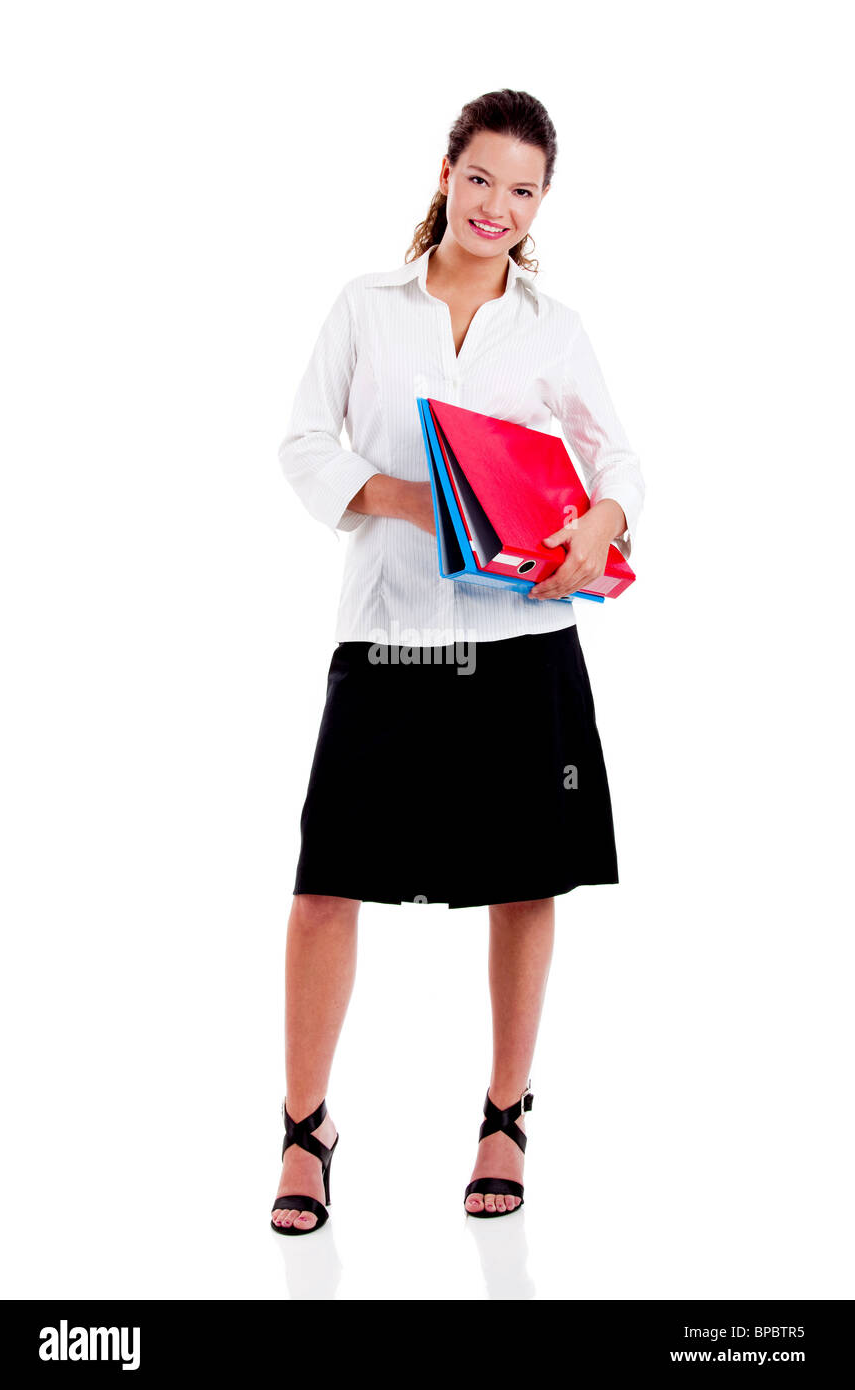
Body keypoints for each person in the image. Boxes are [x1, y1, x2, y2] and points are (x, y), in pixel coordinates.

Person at [271, 89, 646, 1234]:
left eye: (522, 190)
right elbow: (300, 445)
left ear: (540, 206)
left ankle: (502, 1113)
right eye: (480, 178)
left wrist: (603, 521)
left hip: (522, 646)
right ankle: (303, 1124)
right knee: (327, 882)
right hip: (388, 635)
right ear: (445, 173)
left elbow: (615, 456)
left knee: (525, 879)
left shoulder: (552, 326)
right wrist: (405, 499)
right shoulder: (365, 305)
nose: (496, 207)